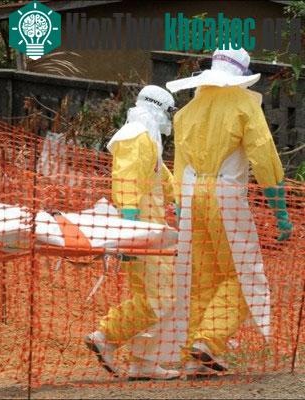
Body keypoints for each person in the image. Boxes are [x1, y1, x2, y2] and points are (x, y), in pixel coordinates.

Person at [165, 47, 293, 374]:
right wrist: (280, 212)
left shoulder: (188, 111)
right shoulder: (244, 105)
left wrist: (180, 209)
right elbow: (264, 158)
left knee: (203, 276)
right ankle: (209, 339)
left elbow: (180, 168)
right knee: (242, 274)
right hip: (226, 196)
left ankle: (198, 355)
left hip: (193, 197)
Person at [84, 85, 180, 380]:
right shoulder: (135, 136)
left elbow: (158, 172)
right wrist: (128, 229)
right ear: (159, 108)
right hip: (140, 229)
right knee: (158, 299)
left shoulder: (146, 137)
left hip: (149, 228)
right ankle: (106, 336)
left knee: (157, 295)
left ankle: (143, 362)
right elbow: (125, 182)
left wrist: (175, 200)